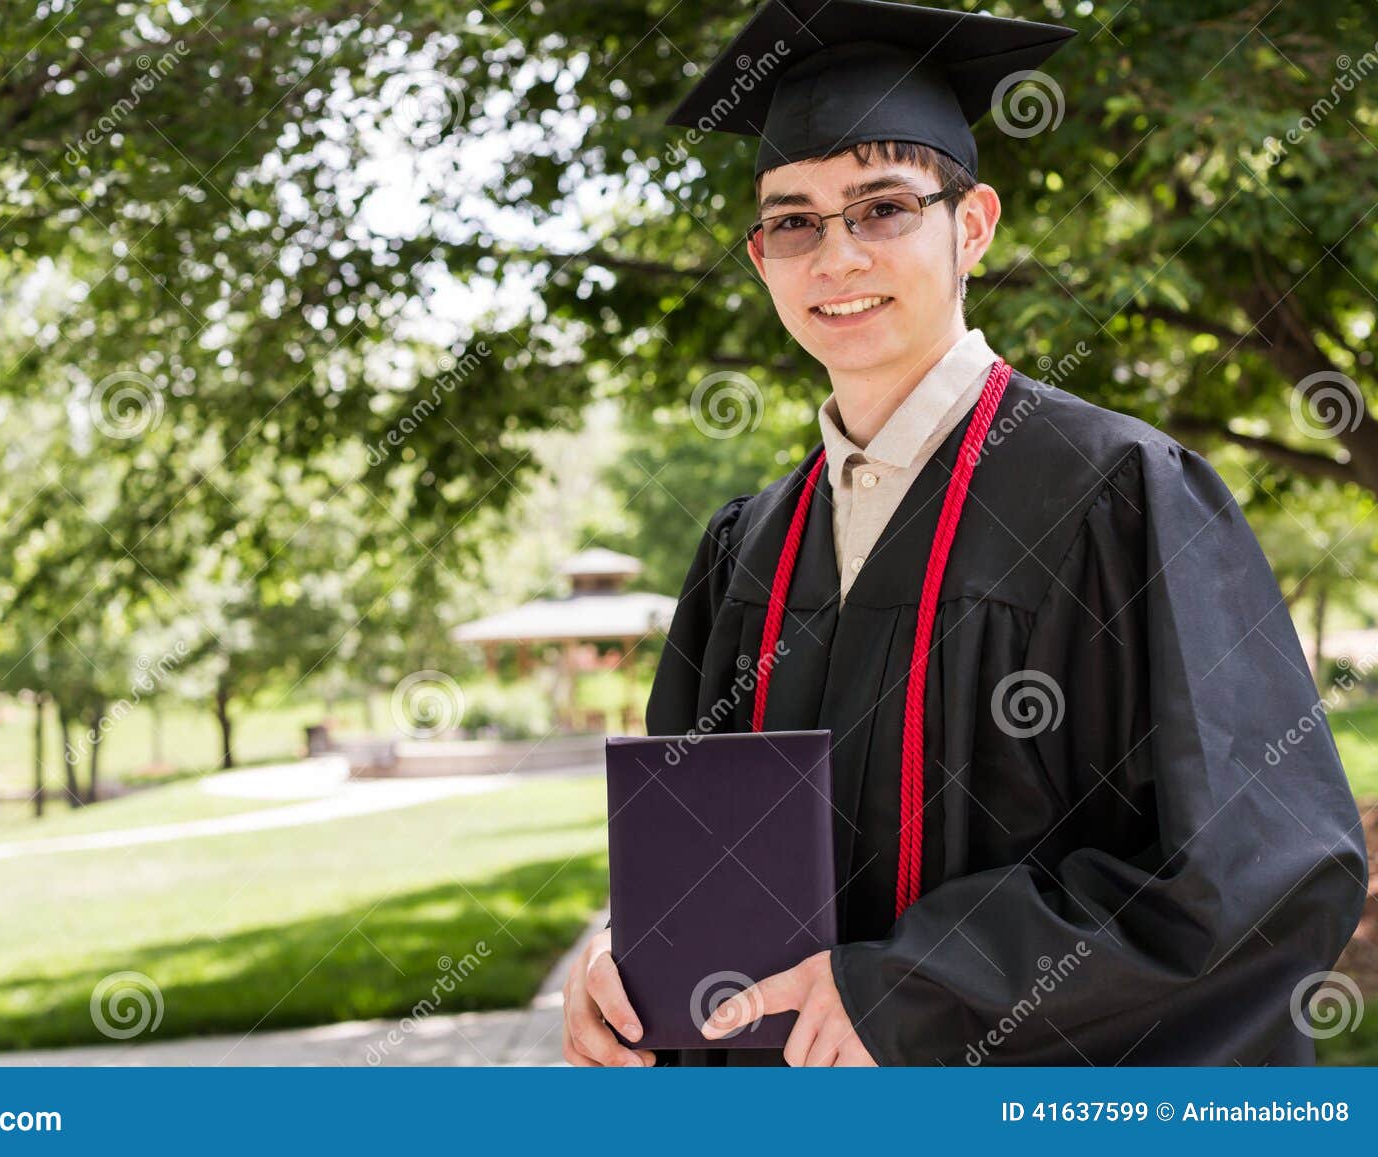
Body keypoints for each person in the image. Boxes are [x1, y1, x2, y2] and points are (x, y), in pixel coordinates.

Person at [560, 0, 1369, 1068]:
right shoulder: (745, 548)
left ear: (973, 224)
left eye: (881, 208)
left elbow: (1259, 870)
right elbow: (692, 866)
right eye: (792, 222)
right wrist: (631, 965)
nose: (834, 256)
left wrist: (912, 992)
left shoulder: (1118, 490)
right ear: (760, 259)